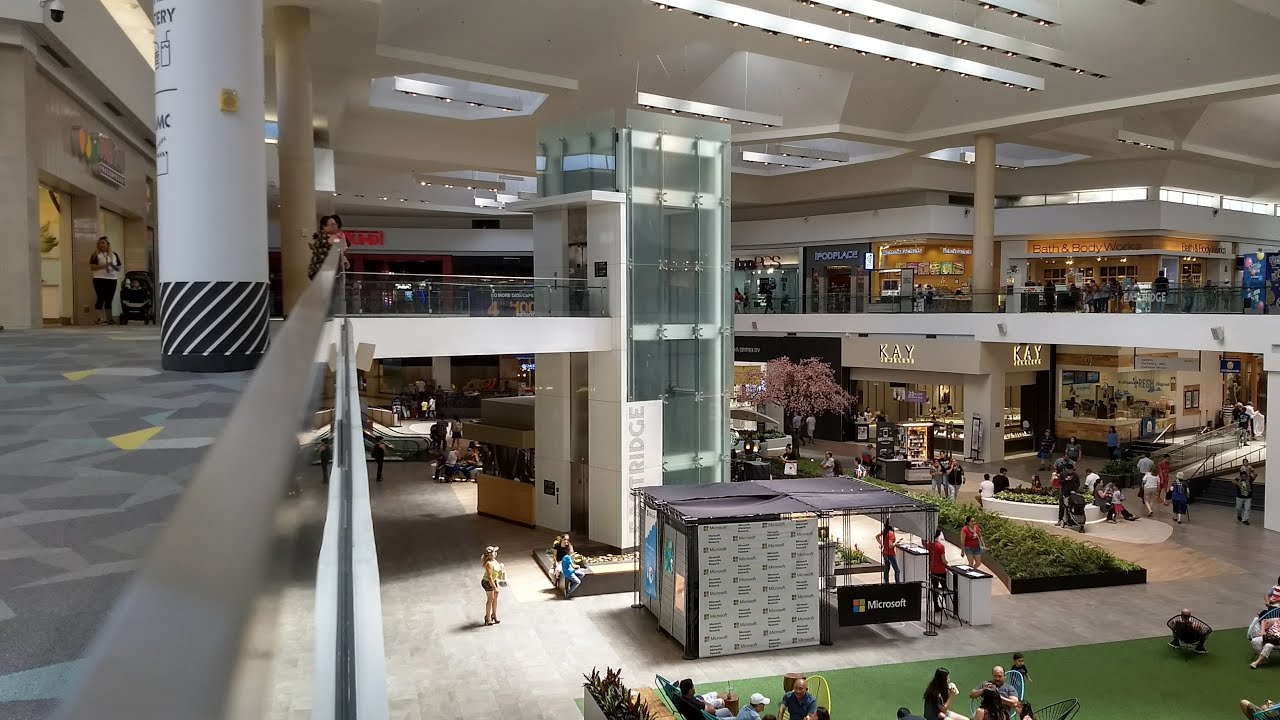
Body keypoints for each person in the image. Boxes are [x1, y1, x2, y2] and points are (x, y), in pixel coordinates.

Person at [89, 236, 122, 325]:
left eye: (103, 243)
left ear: (108, 244)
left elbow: (119, 268)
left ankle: (109, 318)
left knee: (109, 299)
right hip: (99, 279)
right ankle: (99, 318)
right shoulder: (96, 255)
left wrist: (113, 266)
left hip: (112, 279)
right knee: (100, 297)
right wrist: (105, 266)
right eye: (100, 243)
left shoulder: (114, 255)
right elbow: (92, 267)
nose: (101, 245)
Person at [308, 214, 349, 279]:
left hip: (322, 272)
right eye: (332, 224)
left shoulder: (321, 236)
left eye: (335, 224)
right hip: (321, 272)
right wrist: (342, 237)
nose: (335, 226)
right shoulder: (325, 237)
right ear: (324, 227)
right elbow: (342, 248)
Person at [481, 546, 502, 625]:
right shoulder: (488, 564)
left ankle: (494, 615)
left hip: (494, 580)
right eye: (494, 552)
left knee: (495, 599)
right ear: (489, 555)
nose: (496, 553)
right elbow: (489, 577)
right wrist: (495, 588)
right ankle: (488, 617)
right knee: (490, 599)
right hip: (488, 582)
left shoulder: (494, 561)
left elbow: (496, 573)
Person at [1237, 461, 1257, 525]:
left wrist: (1252, 473)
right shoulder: (1239, 479)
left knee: (1247, 509)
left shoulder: (1249, 479)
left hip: (1248, 497)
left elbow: (1255, 475)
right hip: (1239, 497)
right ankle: (1239, 515)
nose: (1244, 477)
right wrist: (1239, 480)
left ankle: (1245, 520)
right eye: (1242, 476)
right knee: (1238, 508)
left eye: (1245, 476)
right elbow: (1234, 482)